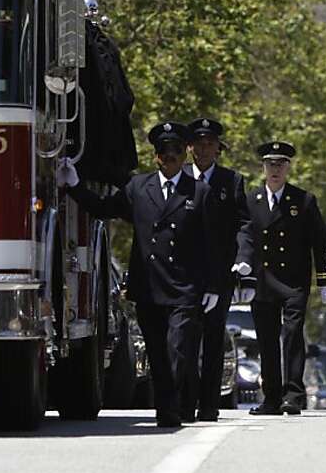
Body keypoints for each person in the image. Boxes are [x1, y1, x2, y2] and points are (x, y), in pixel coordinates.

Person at [56, 122, 224, 427]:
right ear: (156, 156)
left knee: (177, 349)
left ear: (184, 154)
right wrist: (74, 185)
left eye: (175, 152)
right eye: (164, 152)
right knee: (158, 352)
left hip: (184, 287)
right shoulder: (138, 188)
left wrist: (213, 284)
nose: (169, 157)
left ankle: (171, 403)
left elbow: (212, 242)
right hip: (149, 285)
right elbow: (105, 208)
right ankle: (168, 411)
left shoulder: (200, 191)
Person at [238, 141, 326, 415]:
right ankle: (271, 397)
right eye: (270, 164)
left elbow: (319, 242)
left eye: (280, 163)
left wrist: (324, 279)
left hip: (294, 282)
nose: (275, 169)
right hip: (263, 281)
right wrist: (242, 272)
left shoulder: (303, 200)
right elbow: (244, 236)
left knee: (292, 335)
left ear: (289, 167)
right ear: (263, 167)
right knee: (266, 339)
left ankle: (293, 394)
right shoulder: (251, 200)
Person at [186, 116, 252, 422]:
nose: (203, 148)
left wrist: (244, 258)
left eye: (210, 143)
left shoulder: (231, 181)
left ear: (218, 149)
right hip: (183, 273)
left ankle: (209, 403)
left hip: (219, 273)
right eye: (198, 143)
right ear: (190, 147)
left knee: (213, 338)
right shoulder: (180, 177)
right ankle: (184, 399)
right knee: (184, 337)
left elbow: (244, 224)